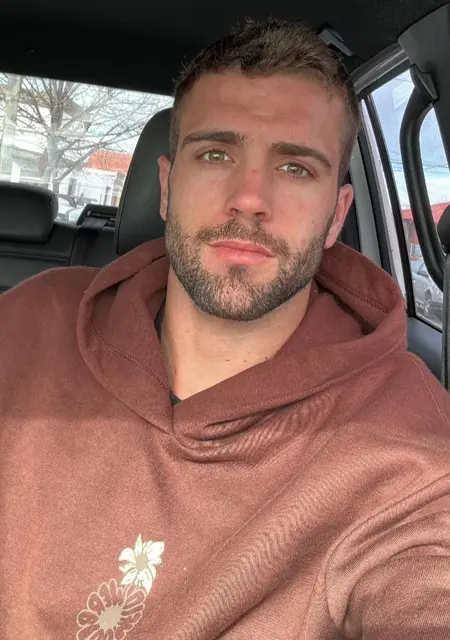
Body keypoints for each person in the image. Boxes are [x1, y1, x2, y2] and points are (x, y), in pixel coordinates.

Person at [1, 19, 450, 640]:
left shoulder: (409, 443)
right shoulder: (30, 320)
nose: (249, 198)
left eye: (295, 168)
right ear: (166, 189)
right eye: (216, 154)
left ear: (336, 216)